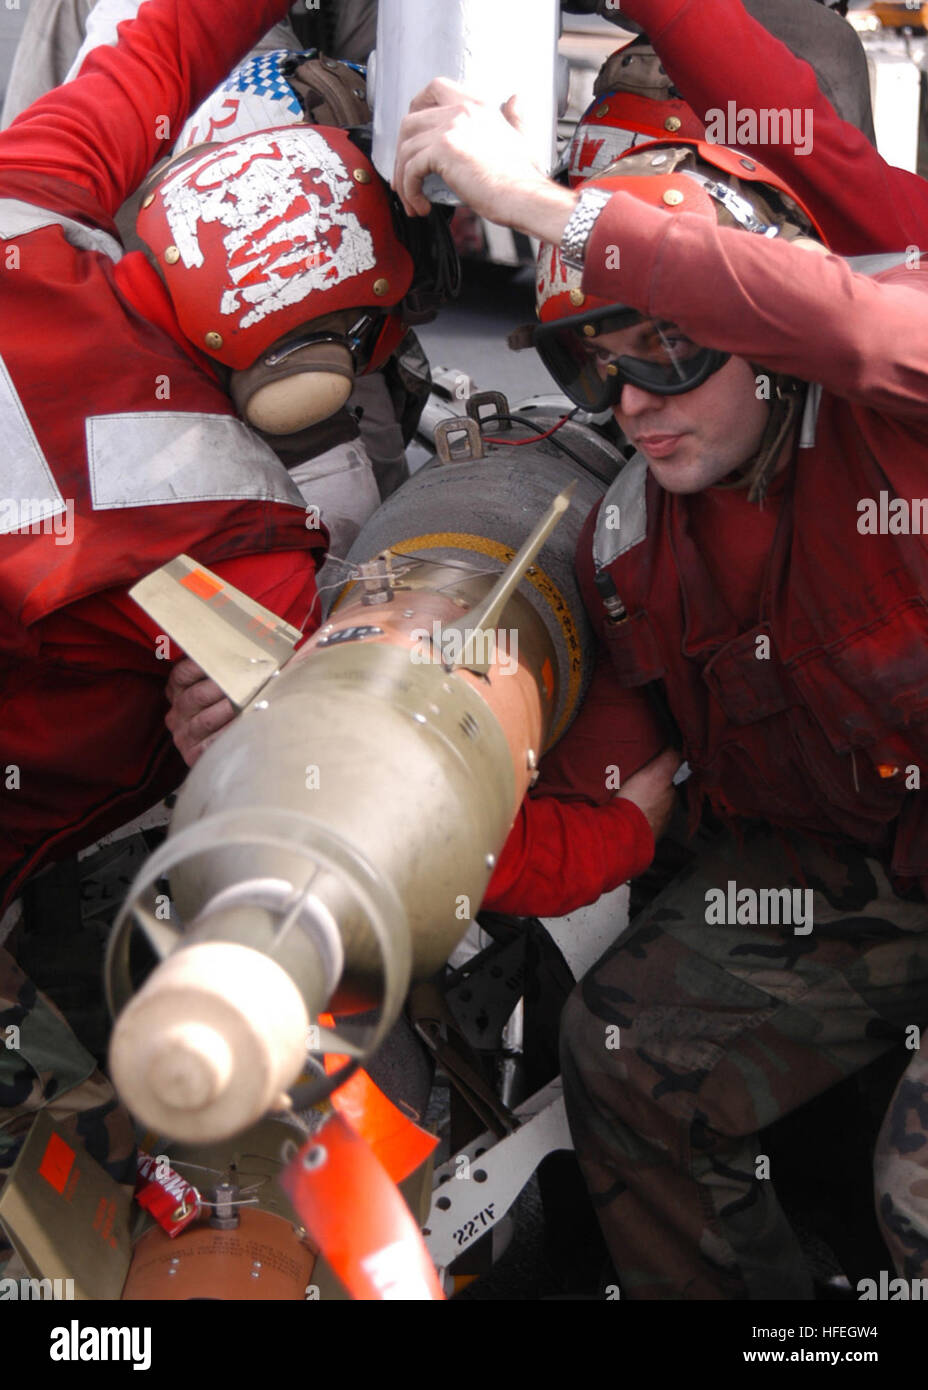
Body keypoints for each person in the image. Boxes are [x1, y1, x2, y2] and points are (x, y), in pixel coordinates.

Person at [387, 0, 928, 1296]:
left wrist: (542, 202)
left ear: (764, 345)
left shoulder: (891, 417)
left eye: (672, 353)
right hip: (846, 874)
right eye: (593, 363)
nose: (636, 404)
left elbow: (850, 318)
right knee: (624, 1051)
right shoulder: (637, 543)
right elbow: (618, 800)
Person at [0, 0, 416, 1208]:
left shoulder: (30, 193)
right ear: (313, 373)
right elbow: (285, 802)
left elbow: (163, 45)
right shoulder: (234, 537)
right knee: (94, 1176)